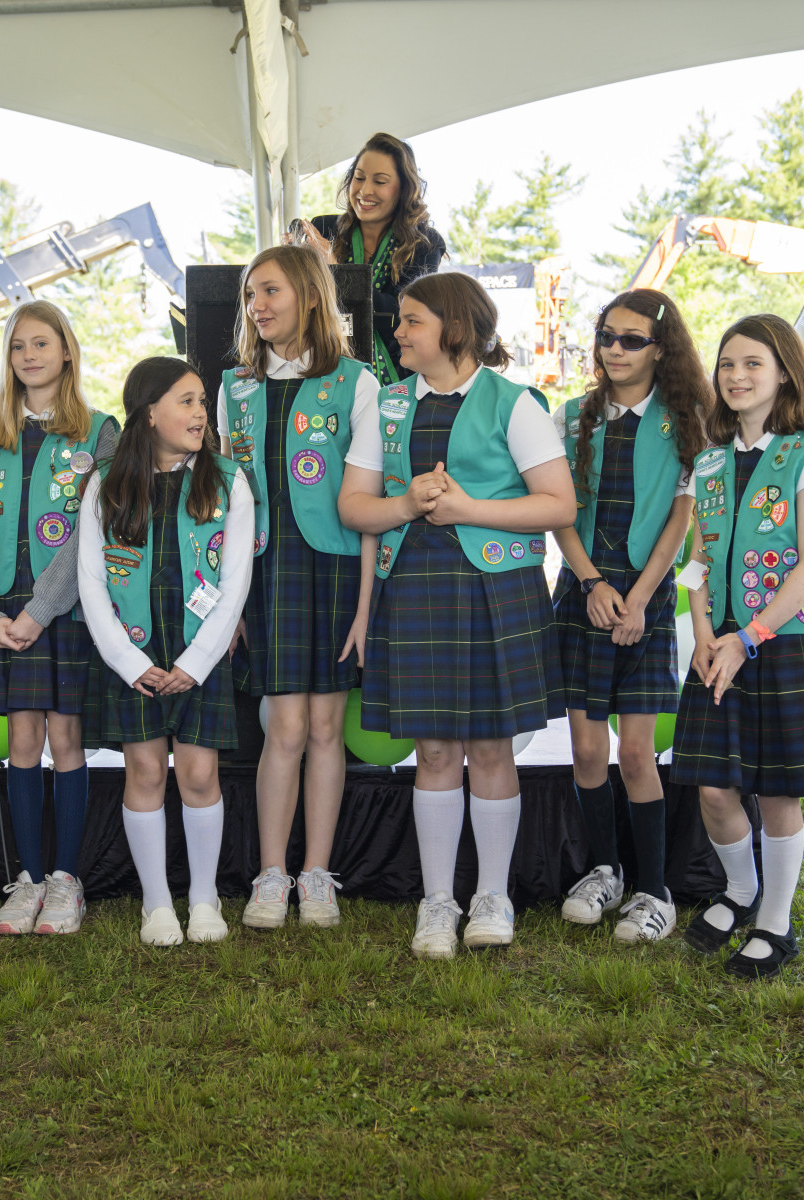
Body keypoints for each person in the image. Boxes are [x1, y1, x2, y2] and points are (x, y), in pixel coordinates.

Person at [337, 272, 575, 959]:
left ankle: (491, 895)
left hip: (496, 591)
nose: (397, 331)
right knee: (435, 750)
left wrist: (469, 508)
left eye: (411, 320)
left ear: (454, 329)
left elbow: (558, 503)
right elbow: (355, 507)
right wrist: (407, 504)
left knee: (492, 748)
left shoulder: (515, 403)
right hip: (412, 587)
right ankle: (437, 902)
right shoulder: (382, 407)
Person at [674, 314, 804, 980]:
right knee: (713, 789)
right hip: (716, 643)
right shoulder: (708, 462)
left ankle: (775, 921)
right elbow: (696, 559)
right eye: (726, 364)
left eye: (752, 363)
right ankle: (739, 889)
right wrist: (701, 632)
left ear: (783, 372)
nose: (736, 376)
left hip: (782, 642)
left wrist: (746, 638)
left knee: (777, 792)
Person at [221, 246, 380, 929]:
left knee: (324, 726)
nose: (256, 306)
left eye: (270, 291)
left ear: (310, 297)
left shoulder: (358, 383)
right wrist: (228, 602)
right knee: (282, 727)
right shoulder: (235, 389)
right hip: (267, 569)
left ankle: (316, 874)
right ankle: (270, 873)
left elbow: (371, 506)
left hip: (337, 569)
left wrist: (367, 609)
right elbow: (223, 505)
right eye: (250, 295)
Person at [78, 357, 253, 946]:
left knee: (200, 775)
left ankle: (204, 899)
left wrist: (196, 663)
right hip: (133, 658)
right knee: (146, 770)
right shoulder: (106, 482)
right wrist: (130, 664)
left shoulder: (229, 480)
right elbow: (91, 583)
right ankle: (157, 904)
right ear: (149, 412)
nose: (201, 413)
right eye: (186, 401)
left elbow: (234, 584)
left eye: (203, 401)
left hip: (196, 655)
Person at [550, 289, 707, 943]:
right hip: (581, 590)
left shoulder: (686, 421)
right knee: (587, 749)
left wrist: (641, 598)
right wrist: (589, 581)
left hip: (647, 598)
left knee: (637, 753)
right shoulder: (571, 416)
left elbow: (680, 518)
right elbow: (557, 509)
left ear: (660, 348)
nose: (613, 349)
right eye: (605, 336)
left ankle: (653, 890)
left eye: (630, 339)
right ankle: (603, 869)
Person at [0, 300, 118, 936]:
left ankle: (66, 880)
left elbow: (93, 533)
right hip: (3, 613)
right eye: (17, 347)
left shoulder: (101, 431)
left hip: (66, 609)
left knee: (65, 740)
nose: (29, 356)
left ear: (66, 352)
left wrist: (39, 609)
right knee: (22, 741)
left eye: (41, 344)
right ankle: (27, 878)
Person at [294, 132, 446, 386]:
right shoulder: (325, 229)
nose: (365, 191)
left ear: (404, 189)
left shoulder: (425, 244)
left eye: (380, 181)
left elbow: (404, 316)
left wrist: (335, 271)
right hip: (323, 372)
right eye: (359, 178)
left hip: (400, 380)